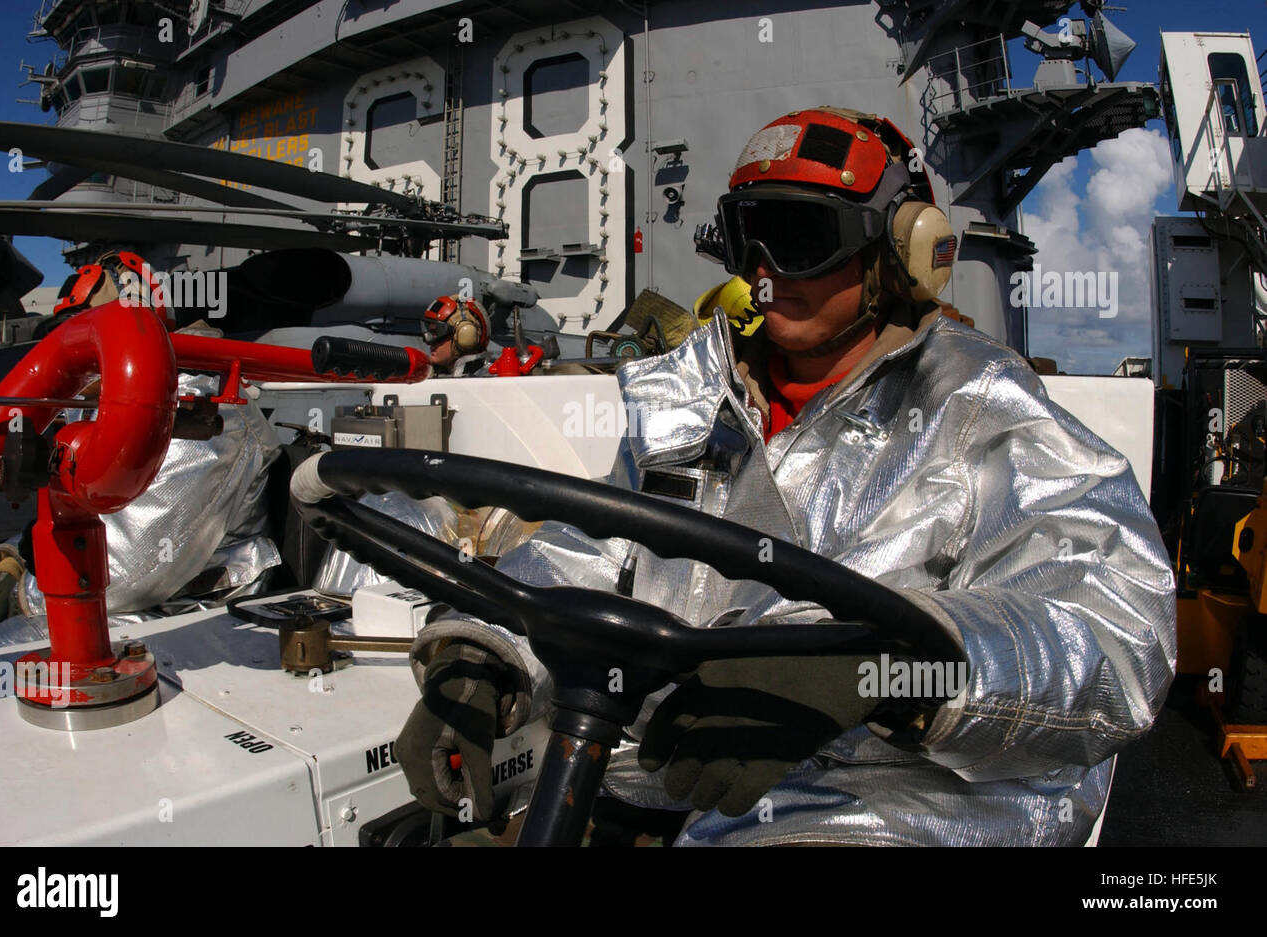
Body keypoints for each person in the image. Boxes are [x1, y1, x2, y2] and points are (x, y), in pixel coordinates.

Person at [397, 107, 1177, 846]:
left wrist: (885, 669)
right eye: (749, 238)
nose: (768, 271)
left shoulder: (976, 404)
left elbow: (1116, 635)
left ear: (900, 249)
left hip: (893, 806)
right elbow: (590, 551)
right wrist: (482, 655)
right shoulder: (684, 395)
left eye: (803, 237)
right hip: (669, 776)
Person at [421, 295, 490, 376]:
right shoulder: (430, 374)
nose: (429, 341)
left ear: (465, 336)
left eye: (437, 332)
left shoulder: (490, 381)